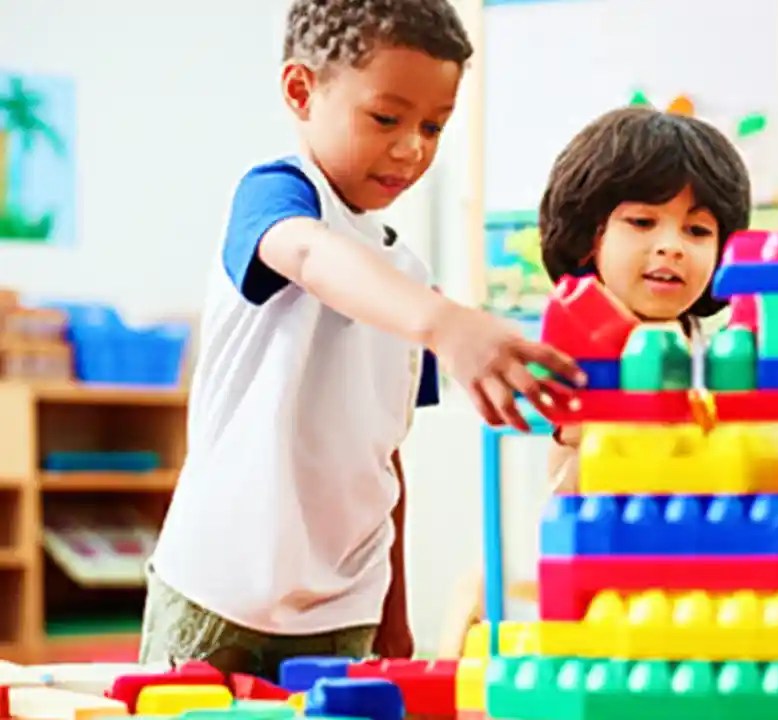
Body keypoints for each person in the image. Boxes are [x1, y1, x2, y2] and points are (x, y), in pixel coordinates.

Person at [140, 0, 582, 679]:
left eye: (434, 126)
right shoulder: (279, 197)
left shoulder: (406, 275)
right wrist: (447, 323)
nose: (413, 148)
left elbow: (386, 456)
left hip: (344, 610)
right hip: (220, 587)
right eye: (386, 118)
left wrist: (396, 608)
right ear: (300, 90)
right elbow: (312, 258)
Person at [435, 105, 753, 656]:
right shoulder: (575, 338)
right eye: (642, 222)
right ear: (590, 238)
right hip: (587, 592)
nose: (672, 244)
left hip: (689, 591)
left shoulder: (706, 345)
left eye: (697, 229)